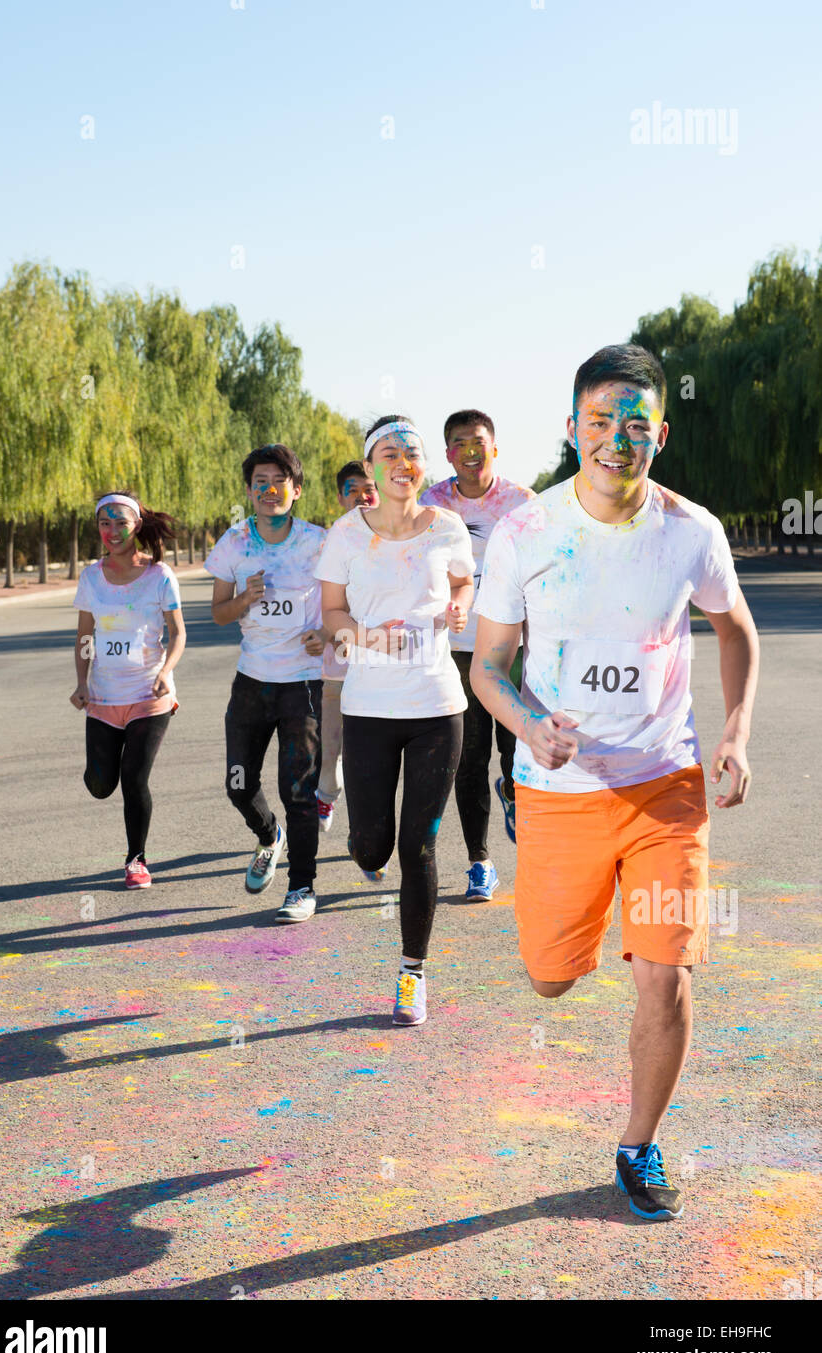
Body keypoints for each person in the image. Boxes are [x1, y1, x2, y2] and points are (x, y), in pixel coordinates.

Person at [472, 345, 759, 1220]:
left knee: (664, 972)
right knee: (550, 978)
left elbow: (735, 629)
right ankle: (582, 904)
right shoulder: (525, 532)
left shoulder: (692, 532)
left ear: (659, 434)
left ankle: (636, 1143)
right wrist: (527, 727)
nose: (616, 439)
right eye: (599, 421)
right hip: (556, 791)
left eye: (635, 423)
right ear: (571, 430)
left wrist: (736, 733)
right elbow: (487, 666)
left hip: (665, 786)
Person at [316, 416, 475, 1025]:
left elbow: (462, 583)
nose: (402, 462)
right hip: (368, 710)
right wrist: (362, 637)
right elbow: (331, 611)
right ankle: (361, 844)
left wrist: (459, 608)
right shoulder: (347, 535)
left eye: (411, 453)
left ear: (423, 466)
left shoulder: (448, 528)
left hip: (437, 706)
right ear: (371, 468)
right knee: (371, 845)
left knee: (419, 844)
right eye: (389, 453)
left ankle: (413, 972)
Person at [207, 444, 325, 924]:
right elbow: (218, 613)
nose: (269, 489)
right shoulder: (233, 542)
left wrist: (328, 633)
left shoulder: (320, 542)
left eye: (279, 480)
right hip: (252, 682)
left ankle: (302, 887)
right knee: (238, 784)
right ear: (250, 490)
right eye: (259, 481)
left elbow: (348, 599)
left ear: (295, 490)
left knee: (298, 788)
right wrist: (243, 599)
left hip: (303, 683)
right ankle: (268, 835)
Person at [421, 410, 533, 902]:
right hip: (457, 652)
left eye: (479, 441)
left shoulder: (522, 503)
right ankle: (479, 861)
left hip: (511, 648)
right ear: (448, 454)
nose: (470, 450)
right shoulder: (431, 504)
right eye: (460, 443)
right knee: (468, 759)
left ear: (494, 447)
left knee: (518, 751)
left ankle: (512, 789)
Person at [71, 491, 186, 888]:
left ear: (137, 525)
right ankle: (102, 774)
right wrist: (82, 683)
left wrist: (166, 672)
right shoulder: (90, 577)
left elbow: (178, 633)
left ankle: (136, 859)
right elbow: (85, 636)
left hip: (149, 696)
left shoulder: (159, 575)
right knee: (102, 786)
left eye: (121, 521)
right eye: (105, 522)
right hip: (103, 697)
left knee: (135, 778)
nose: (113, 530)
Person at [316, 461, 390, 884]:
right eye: (353, 489)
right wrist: (319, 632)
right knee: (332, 749)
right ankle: (326, 792)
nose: (363, 495)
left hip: (383, 671)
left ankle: (365, 842)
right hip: (339, 668)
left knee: (369, 765)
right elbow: (322, 604)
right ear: (341, 496)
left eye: (370, 488)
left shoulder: (401, 537)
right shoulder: (335, 539)